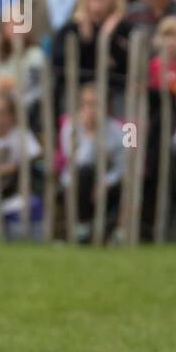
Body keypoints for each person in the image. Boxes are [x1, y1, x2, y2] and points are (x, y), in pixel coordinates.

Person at [57, 83, 125, 243]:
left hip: (108, 183)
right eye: (86, 104)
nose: (90, 109)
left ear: (107, 106)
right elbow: (78, 162)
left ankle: (107, 231)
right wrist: (91, 134)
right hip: (75, 182)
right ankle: (83, 225)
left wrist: (105, 183)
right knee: (84, 172)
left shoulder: (121, 130)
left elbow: (123, 166)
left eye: (95, 104)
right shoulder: (70, 126)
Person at [0, 86, 42, 235]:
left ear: (13, 116)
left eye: (2, 113)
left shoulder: (21, 136)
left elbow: (31, 161)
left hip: (10, 187)